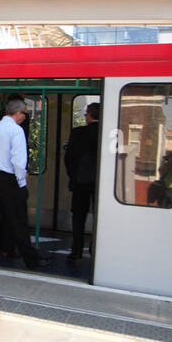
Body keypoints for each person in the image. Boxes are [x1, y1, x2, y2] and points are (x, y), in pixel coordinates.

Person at [0, 96, 46, 271]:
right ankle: (32, 261)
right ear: (18, 113)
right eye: (25, 113)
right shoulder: (16, 131)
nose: (25, 117)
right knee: (19, 221)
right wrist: (22, 183)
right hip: (8, 179)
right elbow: (18, 160)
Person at [64, 103, 100, 262]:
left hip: (80, 181)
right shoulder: (106, 132)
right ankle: (95, 248)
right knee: (99, 216)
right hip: (100, 183)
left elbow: (69, 158)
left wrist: (73, 176)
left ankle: (76, 249)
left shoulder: (77, 133)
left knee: (78, 216)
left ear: (89, 116)